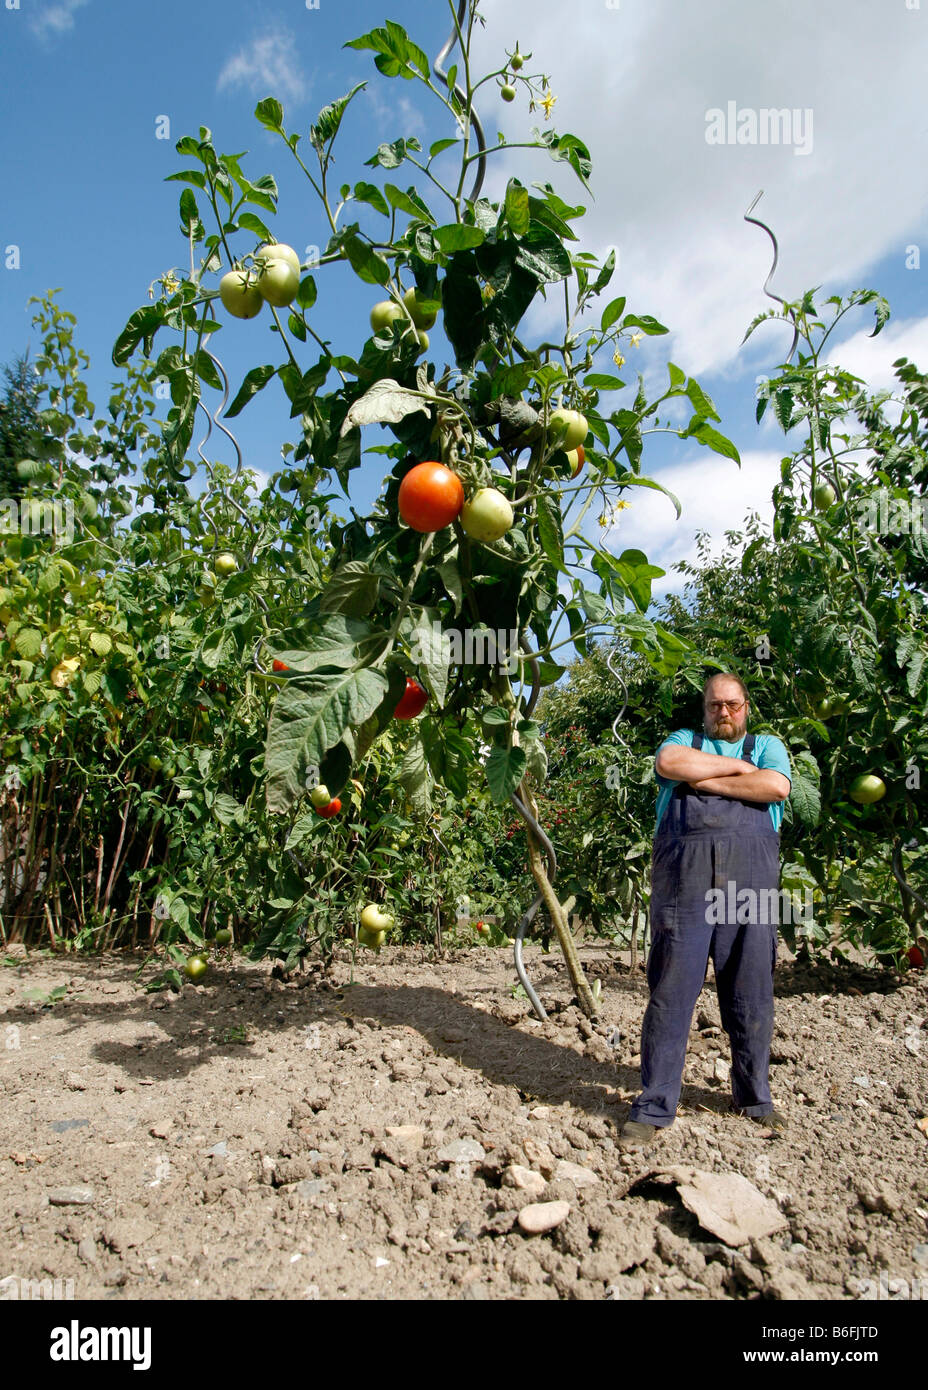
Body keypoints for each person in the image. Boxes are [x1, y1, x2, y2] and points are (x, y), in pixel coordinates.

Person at [618, 673, 793, 1149]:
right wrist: (739, 774)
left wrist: (708, 775)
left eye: (733, 705)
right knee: (672, 990)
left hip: (750, 882)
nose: (724, 712)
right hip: (684, 880)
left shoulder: (767, 745)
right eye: (715, 705)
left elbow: (776, 786)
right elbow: (669, 762)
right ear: (704, 709)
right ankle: (654, 1106)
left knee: (751, 988)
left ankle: (754, 1098)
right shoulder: (682, 740)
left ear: (746, 707)